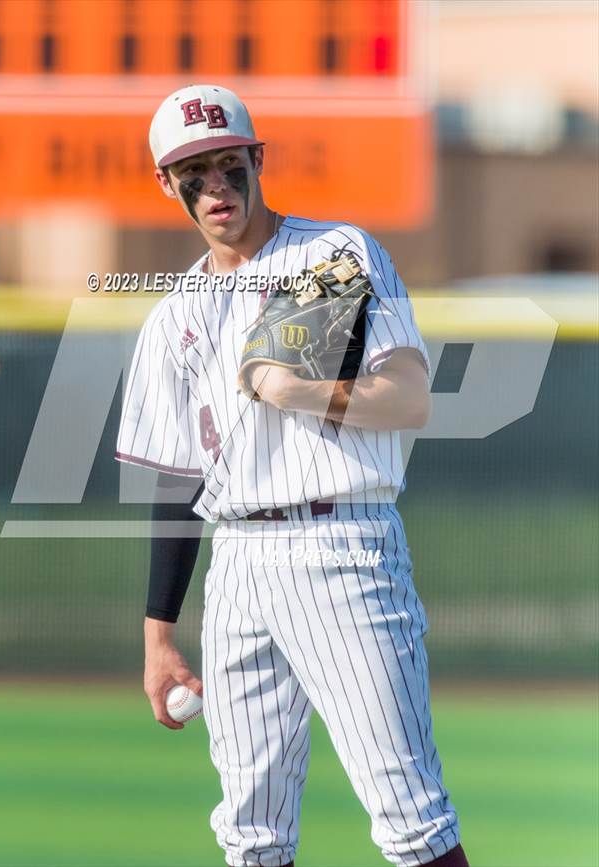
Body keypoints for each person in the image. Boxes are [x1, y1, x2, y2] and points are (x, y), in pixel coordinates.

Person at [116, 83, 469, 867]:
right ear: (167, 184)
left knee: (410, 816)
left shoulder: (331, 256)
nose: (216, 187)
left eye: (229, 165)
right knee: (251, 833)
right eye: (194, 172)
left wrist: (298, 389)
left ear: (258, 159)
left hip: (342, 545)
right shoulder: (173, 315)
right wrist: (159, 638)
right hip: (238, 564)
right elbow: (175, 482)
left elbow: (410, 398)